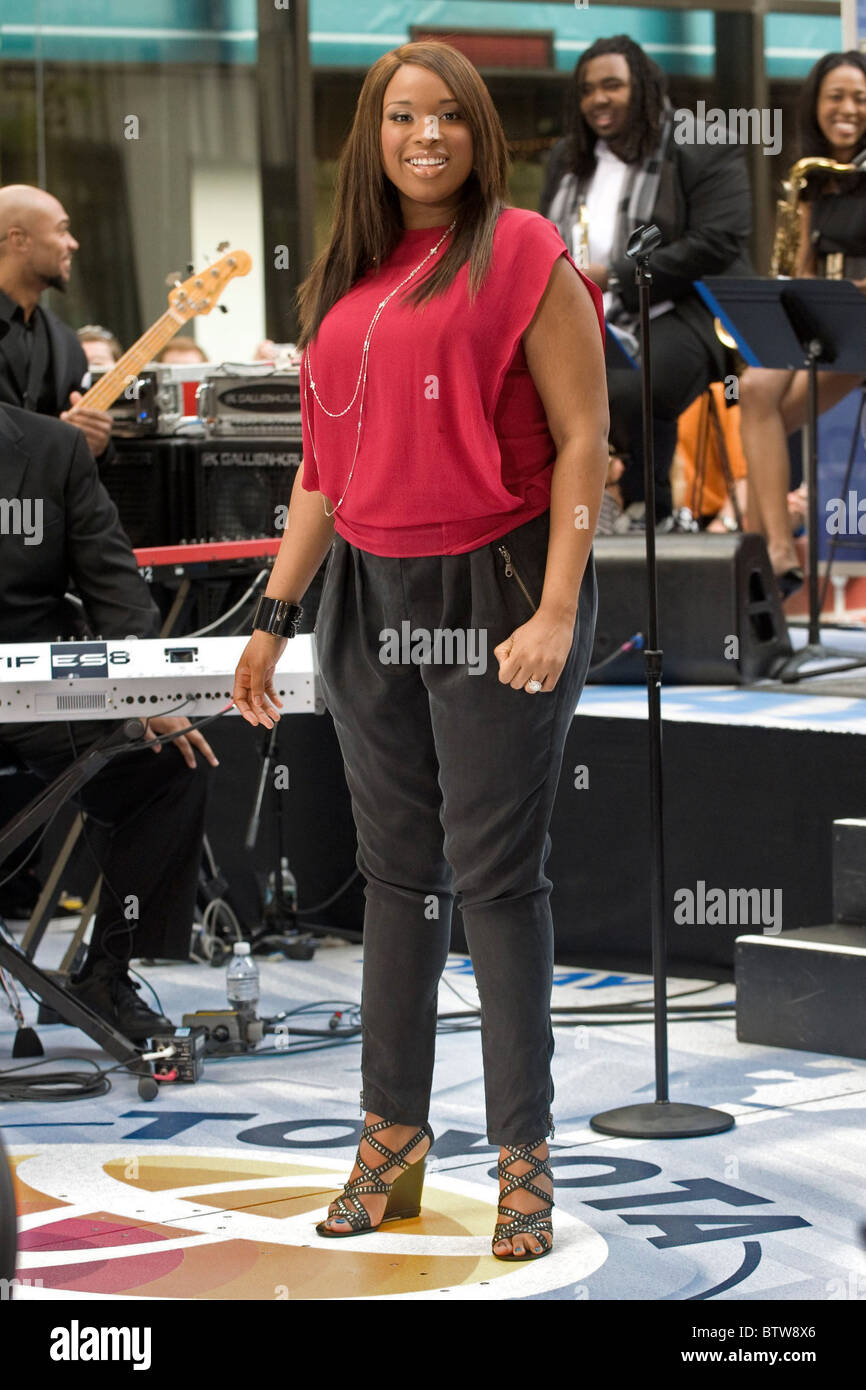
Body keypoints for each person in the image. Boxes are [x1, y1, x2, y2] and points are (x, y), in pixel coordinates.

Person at [233, 40, 608, 1260]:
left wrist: (555, 610)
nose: (426, 136)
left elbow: (583, 439)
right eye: (402, 117)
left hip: (495, 582)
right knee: (397, 878)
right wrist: (274, 616)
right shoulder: (346, 275)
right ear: (374, 136)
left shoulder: (524, 253)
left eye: (448, 115)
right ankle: (389, 1141)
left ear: (478, 131)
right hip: (364, 591)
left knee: (493, 878)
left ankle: (522, 1161)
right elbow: (319, 469)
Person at [0, 372, 218, 1042]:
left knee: (168, 760)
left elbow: (116, 588)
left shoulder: (53, 448)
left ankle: (105, 976)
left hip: (36, 695)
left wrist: (144, 693)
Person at [540, 35, 753, 528]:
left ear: (644, 87)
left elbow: (718, 241)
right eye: (587, 89)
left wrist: (615, 275)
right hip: (585, 311)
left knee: (625, 387)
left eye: (612, 85)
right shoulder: (568, 158)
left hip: (684, 307)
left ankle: (642, 507)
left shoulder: (702, 144)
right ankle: (571, 505)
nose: (598, 99)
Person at [738, 51, 866, 598]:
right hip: (824, 316)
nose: (847, 108)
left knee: (767, 419)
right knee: (753, 389)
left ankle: (757, 558)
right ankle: (776, 549)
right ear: (815, 105)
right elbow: (803, 269)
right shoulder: (813, 177)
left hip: (860, 322)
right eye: (835, 97)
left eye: (860, 98)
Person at [0, 184, 114, 463]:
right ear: (19, 240)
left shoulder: (66, 342)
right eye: (62, 230)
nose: (73, 243)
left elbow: (83, 466)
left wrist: (97, 444)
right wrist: (55, 437)